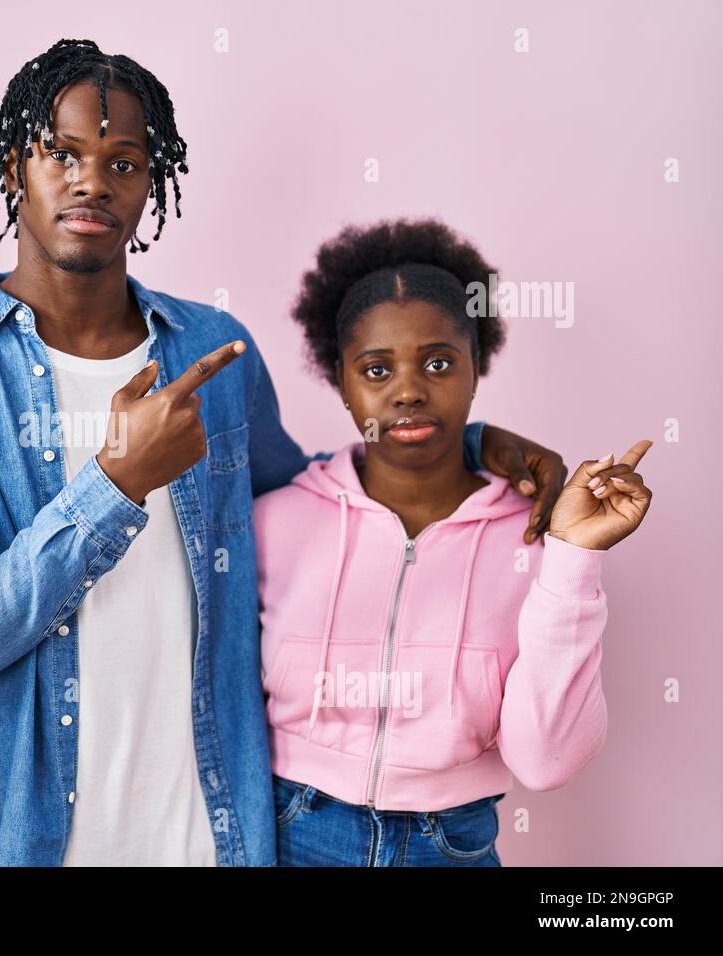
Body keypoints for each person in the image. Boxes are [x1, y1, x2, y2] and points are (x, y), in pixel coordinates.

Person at [0, 38, 569, 867]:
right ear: (15, 166)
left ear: (152, 185)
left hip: (206, 828)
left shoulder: (213, 348)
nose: (93, 181)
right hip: (14, 836)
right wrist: (115, 485)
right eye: (62, 153)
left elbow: (318, 495)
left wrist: (473, 445)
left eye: (124, 161)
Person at [255, 219, 652, 865]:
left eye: (438, 362)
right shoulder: (273, 520)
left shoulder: (535, 538)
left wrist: (576, 558)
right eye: (377, 369)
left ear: (477, 365)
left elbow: (547, 762)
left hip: (453, 845)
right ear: (341, 380)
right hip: (290, 833)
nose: (409, 390)